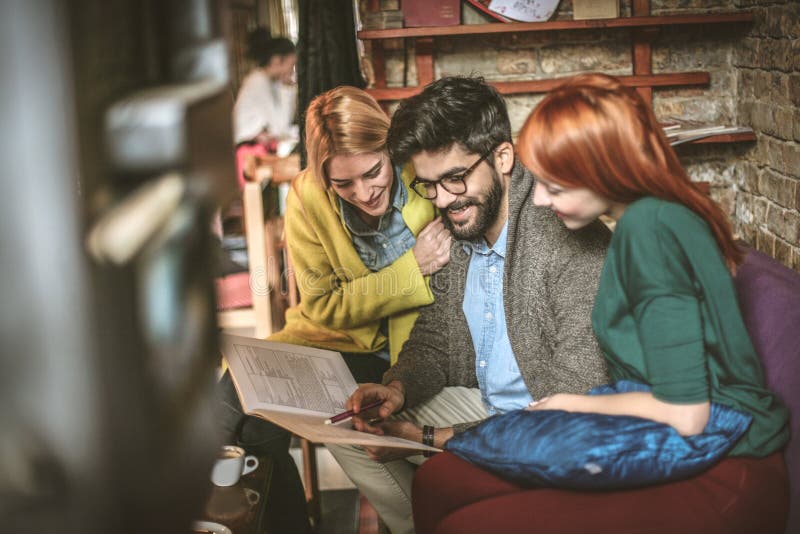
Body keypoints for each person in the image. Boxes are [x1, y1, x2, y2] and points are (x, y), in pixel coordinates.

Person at [412, 73, 790, 533]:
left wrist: (574, 404)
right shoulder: (650, 217)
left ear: (603, 169)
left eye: (555, 185)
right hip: (672, 442)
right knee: (438, 482)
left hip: (724, 467)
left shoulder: (650, 232)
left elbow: (688, 415)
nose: (543, 200)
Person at [325, 76, 611, 534]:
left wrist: (423, 439)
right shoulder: (460, 228)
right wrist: (398, 389)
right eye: (428, 186)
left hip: (546, 431)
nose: (443, 200)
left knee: (437, 467)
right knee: (348, 428)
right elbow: (434, 339)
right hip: (483, 407)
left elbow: (571, 407)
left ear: (502, 157)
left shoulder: (564, 237)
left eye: (455, 179)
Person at [217, 85, 449, 532]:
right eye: (343, 183)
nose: (363, 192)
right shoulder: (307, 194)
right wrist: (411, 270)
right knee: (230, 410)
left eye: (372, 172)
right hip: (329, 340)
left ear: (390, 147)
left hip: (405, 351)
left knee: (249, 432)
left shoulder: (426, 178)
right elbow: (323, 307)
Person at [232, 28, 298, 188]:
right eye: (291, 64)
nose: (292, 70)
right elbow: (280, 127)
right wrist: (287, 88)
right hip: (248, 156)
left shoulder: (268, 82)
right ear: (276, 61)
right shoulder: (258, 82)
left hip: (258, 153)